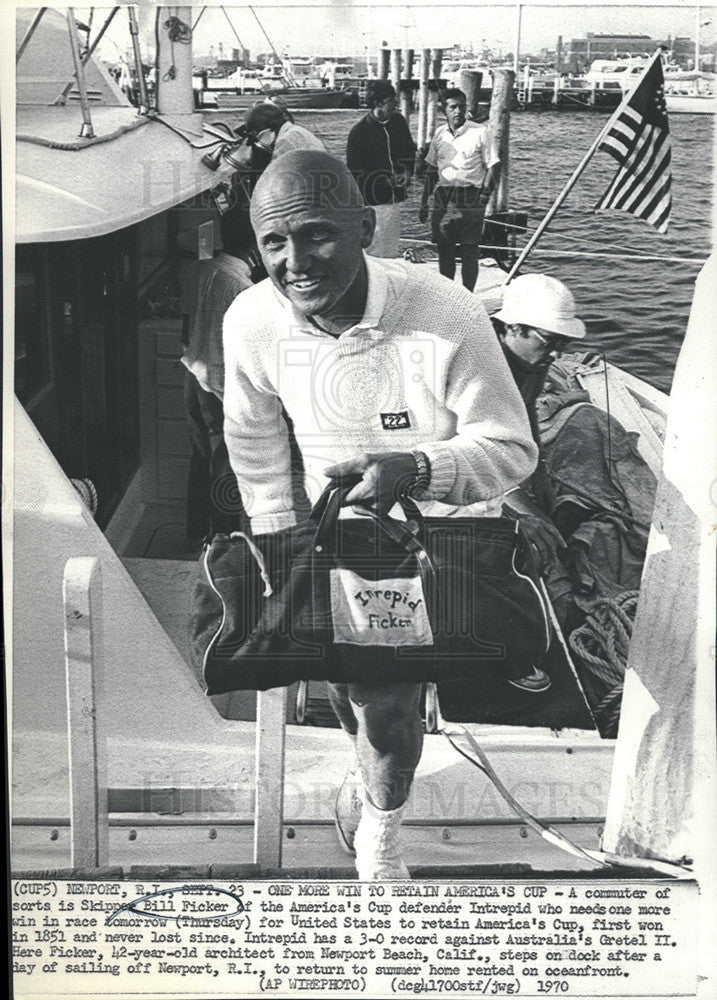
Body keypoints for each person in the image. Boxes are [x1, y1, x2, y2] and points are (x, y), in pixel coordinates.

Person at [221, 149, 538, 879]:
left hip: (432, 539)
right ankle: (369, 783)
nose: (294, 261)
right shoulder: (250, 321)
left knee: (387, 706)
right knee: (348, 688)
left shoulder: (446, 310)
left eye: (316, 235)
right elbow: (254, 440)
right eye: (273, 242)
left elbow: (511, 450)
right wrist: (277, 552)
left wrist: (419, 466)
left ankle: (380, 850)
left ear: (364, 227)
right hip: (326, 539)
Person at [180, 188, 263, 545]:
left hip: (192, 376)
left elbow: (186, 323)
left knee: (201, 459)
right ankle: (224, 538)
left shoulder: (201, 270)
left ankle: (196, 532)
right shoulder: (243, 288)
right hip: (219, 388)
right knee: (225, 465)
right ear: (256, 247)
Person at [419, 88, 500, 291]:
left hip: (471, 196)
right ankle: (448, 295)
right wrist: (423, 202)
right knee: (444, 249)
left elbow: (494, 166)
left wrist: (484, 196)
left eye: (462, 107)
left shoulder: (480, 132)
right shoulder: (439, 134)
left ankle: (468, 295)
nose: (458, 111)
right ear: (444, 109)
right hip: (444, 197)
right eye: (453, 107)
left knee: (469, 250)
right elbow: (431, 169)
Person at [346, 80, 416, 258]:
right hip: (373, 202)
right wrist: (384, 180)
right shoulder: (359, 132)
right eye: (392, 100)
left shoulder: (398, 122)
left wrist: (407, 172)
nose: (396, 103)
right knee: (373, 252)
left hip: (394, 200)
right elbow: (355, 171)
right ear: (378, 103)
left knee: (391, 249)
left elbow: (409, 151)